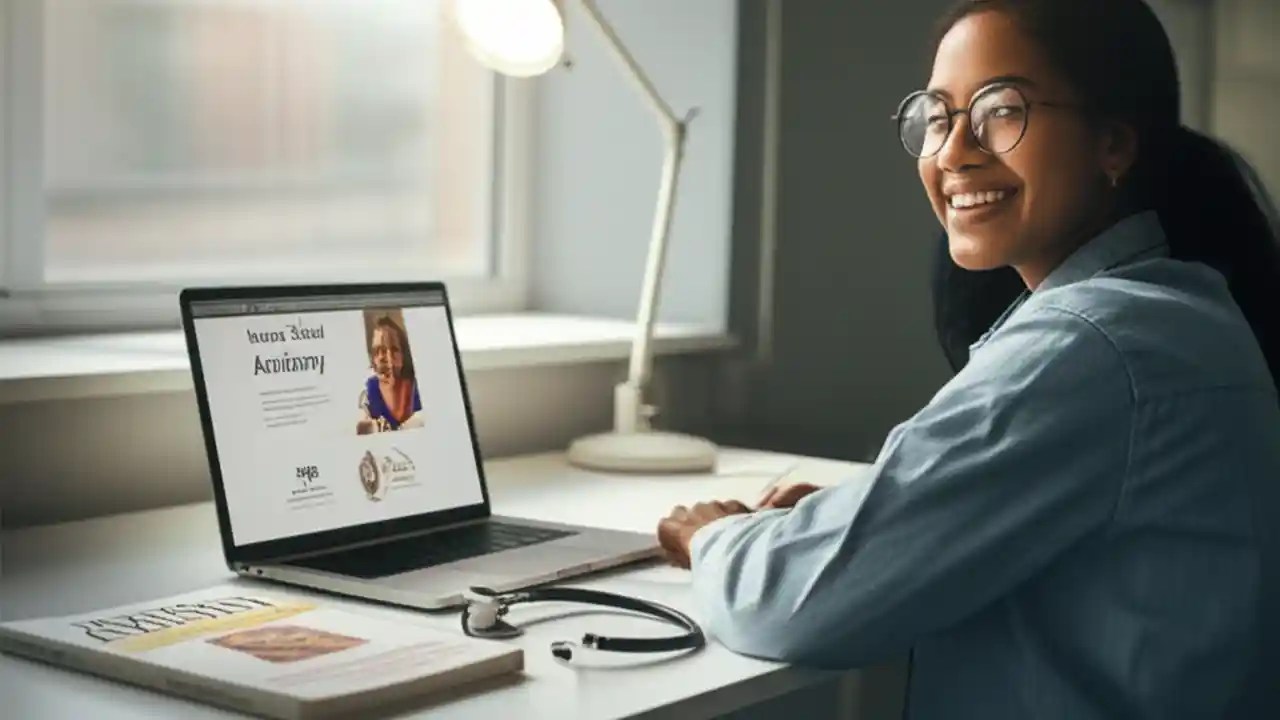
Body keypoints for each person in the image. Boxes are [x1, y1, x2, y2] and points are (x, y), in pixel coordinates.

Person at [657, 1, 1280, 717]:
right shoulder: (1178, 310)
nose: (953, 151)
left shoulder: (1092, 343)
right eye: (937, 115)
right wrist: (868, 518)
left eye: (1000, 109)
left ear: (1113, 142)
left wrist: (716, 537)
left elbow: (785, 604)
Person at [356, 315, 423, 434]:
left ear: (404, 355)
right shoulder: (368, 394)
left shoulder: (419, 388)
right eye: (377, 351)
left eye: (393, 349)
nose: (383, 357)